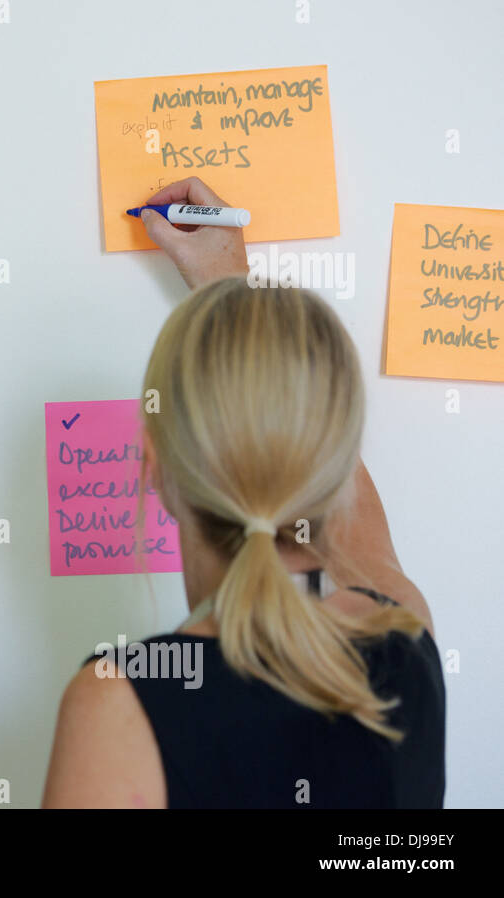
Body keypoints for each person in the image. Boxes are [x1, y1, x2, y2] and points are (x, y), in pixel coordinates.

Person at [43, 178, 446, 808]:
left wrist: (226, 297)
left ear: (154, 465)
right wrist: (235, 291)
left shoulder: (120, 705)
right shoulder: (403, 641)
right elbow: (359, 537)